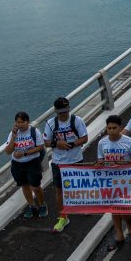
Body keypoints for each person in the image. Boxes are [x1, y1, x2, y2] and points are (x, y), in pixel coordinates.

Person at [43, 97, 89, 233]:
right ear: (56, 112)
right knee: (59, 190)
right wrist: (57, 144)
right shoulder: (51, 124)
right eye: (61, 112)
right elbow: (45, 142)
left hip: (75, 160)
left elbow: (85, 138)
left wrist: (72, 144)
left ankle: (83, 206)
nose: (64, 114)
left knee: (80, 186)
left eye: (66, 111)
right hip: (58, 162)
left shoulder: (77, 121)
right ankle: (63, 216)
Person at [97, 115, 131, 250]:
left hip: (126, 181)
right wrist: (100, 164)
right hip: (109, 182)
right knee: (114, 209)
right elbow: (100, 161)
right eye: (109, 128)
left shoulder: (129, 142)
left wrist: (125, 163)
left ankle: (130, 227)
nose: (111, 131)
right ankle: (119, 235)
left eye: (114, 128)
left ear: (120, 128)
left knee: (125, 208)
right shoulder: (102, 143)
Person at [5, 111, 47, 219]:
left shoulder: (34, 131)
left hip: (32, 162)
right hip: (18, 165)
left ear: (27, 121)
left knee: (35, 186)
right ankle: (31, 205)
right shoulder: (13, 134)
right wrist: (14, 136)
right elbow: (8, 151)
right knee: (24, 185)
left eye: (22, 122)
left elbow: (40, 147)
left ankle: (42, 205)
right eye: (17, 122)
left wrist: (24, 153)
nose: (19, 125)